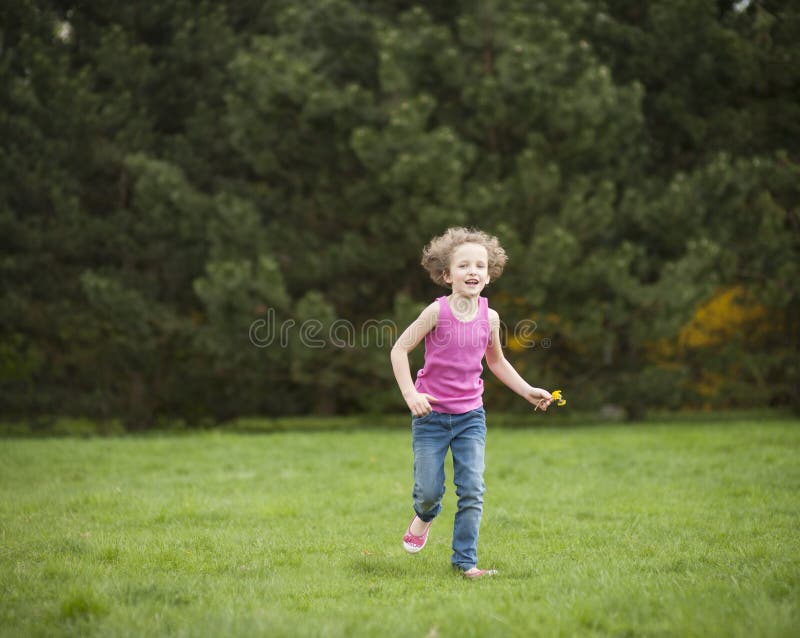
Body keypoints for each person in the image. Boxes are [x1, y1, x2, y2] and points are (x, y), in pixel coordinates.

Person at [390, 227, 554, 579]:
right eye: (464, 265)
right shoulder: (436, 313)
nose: (473, 271)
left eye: (480, 265)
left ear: (489, 274)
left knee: (473, 491)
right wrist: (410, 394)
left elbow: (495, 362)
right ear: (447, 275)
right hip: (431, 416)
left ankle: (465, 564)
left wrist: (528, 390)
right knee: (430, 491)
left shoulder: (489, 317)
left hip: (470, 418)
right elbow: (399, 349)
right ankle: (424, 515)